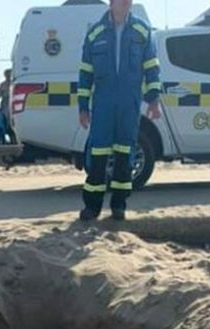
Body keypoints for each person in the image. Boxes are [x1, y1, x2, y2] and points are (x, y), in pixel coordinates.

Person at [77, 0, 162, 221]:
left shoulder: (142, 30)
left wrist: (154, 100)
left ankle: (119, 205)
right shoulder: (95, 33)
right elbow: (85, 73)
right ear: (112, 3)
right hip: (103, 102)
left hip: (129, 102)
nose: (125, 4)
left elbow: (152, 67)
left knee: (125, 153)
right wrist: (83, 107)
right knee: (98, 153)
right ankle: (92, 207)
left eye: (128, 1)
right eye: (121, 1)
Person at [0, 69, 16, 144]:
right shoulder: (2, 84)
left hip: (13, 104)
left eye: (9, 74)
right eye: (6, 74)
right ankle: (5, 137)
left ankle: (13, 138)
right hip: (4, 104)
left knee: (12, 121)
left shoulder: (14, 83)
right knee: (4, 120)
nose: (8, 76)